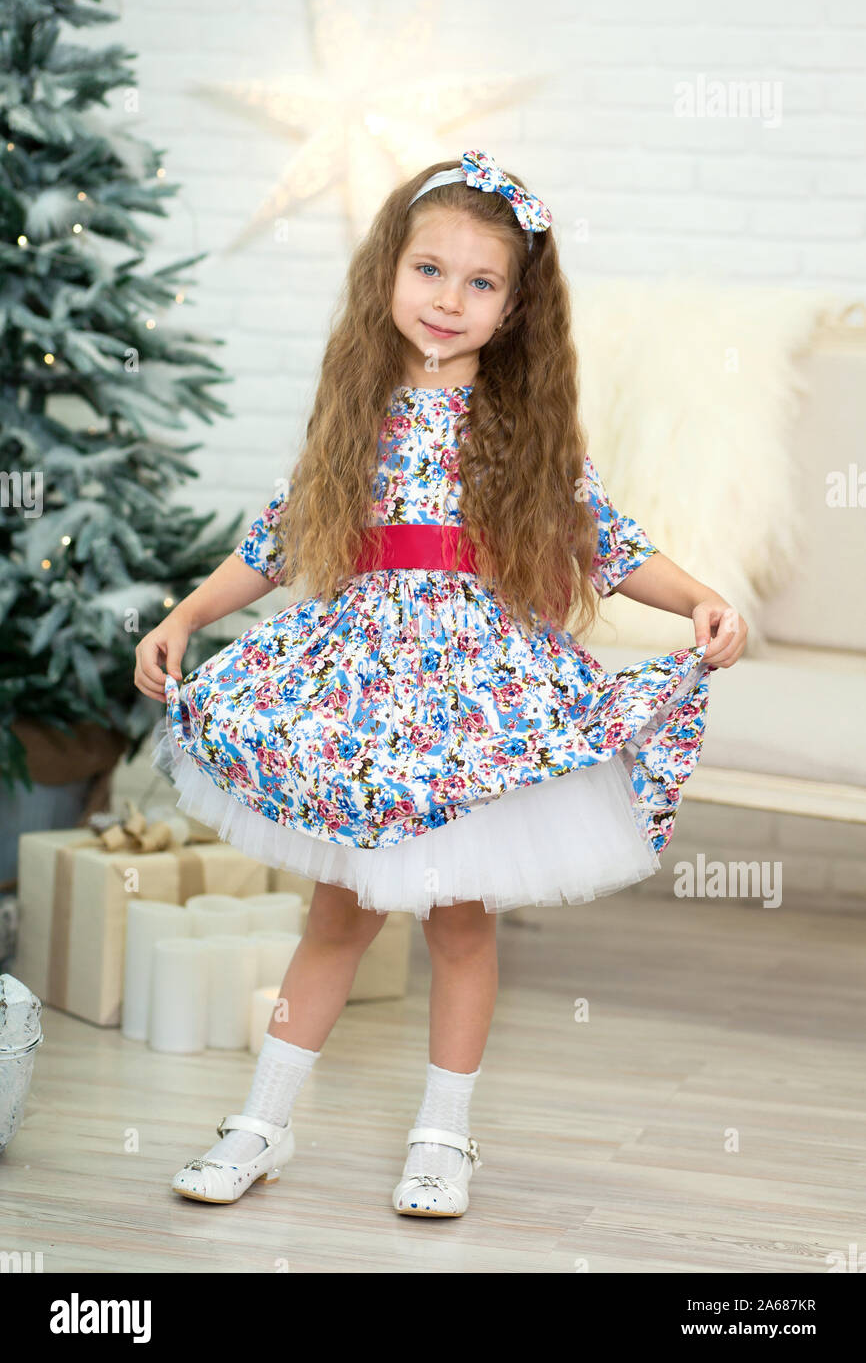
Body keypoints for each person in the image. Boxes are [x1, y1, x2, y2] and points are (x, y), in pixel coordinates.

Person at [134, 148, 747, 1218]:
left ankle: (441, 1138)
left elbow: (607, 541)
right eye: (430, 271)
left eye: (479, 283)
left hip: (470, 710)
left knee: (460, 926)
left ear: (512, 310)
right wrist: (187, 615)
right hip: (364, 702)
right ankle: (262, 1122)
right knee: (335, 918)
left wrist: (696, 593)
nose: (449, 300)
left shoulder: (522, 433)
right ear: (388, 274)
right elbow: (274, 543)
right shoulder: (352, 415)